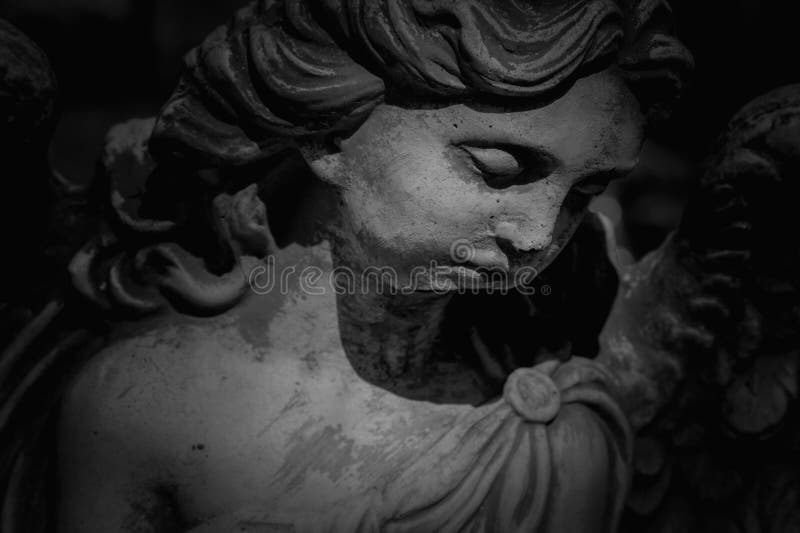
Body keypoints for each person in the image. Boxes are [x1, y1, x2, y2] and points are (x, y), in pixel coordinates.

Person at [2, 0, 693, 531]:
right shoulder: (149, 404)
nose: (540, 234)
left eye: (583, 192)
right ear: (331, 132)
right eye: (500, 170)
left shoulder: (552, 417)